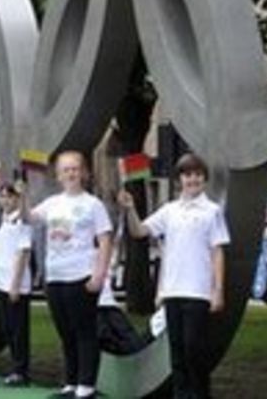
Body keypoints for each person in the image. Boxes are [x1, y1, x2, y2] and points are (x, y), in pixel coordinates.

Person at [119, 152, 229, 399]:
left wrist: (218, 290)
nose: (193, 180)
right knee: (176, 351)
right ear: (180, 179)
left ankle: (199, 394)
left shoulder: (212, 211)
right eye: (188, 175)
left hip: (198, 291)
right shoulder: (170, 211)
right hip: (173, 291)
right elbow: (139, 231)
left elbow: (217, 251)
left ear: (204, 179)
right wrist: (130, 209)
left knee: (193, 349)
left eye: (198, 175)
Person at [25, 150, 113, 399]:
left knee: (84, 331)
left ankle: (87, 385)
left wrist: (99, 274)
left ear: (83, 173)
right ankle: (71, 383)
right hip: (55, 276)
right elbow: (28, 218)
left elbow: (105, 240)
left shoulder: (93, 204)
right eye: (66, 170)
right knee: (65, 332)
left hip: (81, 274)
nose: (71, 173)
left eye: (75, 169)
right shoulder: (52, 203)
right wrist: (22, 196)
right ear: (58, 175)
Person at [0, 181, 33, 388]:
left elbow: (23, 252)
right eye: (2, 196)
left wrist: (15, 283)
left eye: (9, 196)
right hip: (2, 281)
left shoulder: (22, 220)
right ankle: (15, 367)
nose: (5, 201)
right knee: (8, 328)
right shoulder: (3, 220)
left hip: (15, 283)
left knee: (18, 329)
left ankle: (21, 370)